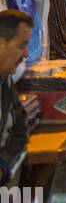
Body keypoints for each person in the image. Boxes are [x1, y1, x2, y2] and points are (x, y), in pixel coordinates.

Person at [0, 10, 33, 186]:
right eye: (21, 46)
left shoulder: (5, 82)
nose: (26, 54)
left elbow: (20, 130)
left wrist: (3, 165)